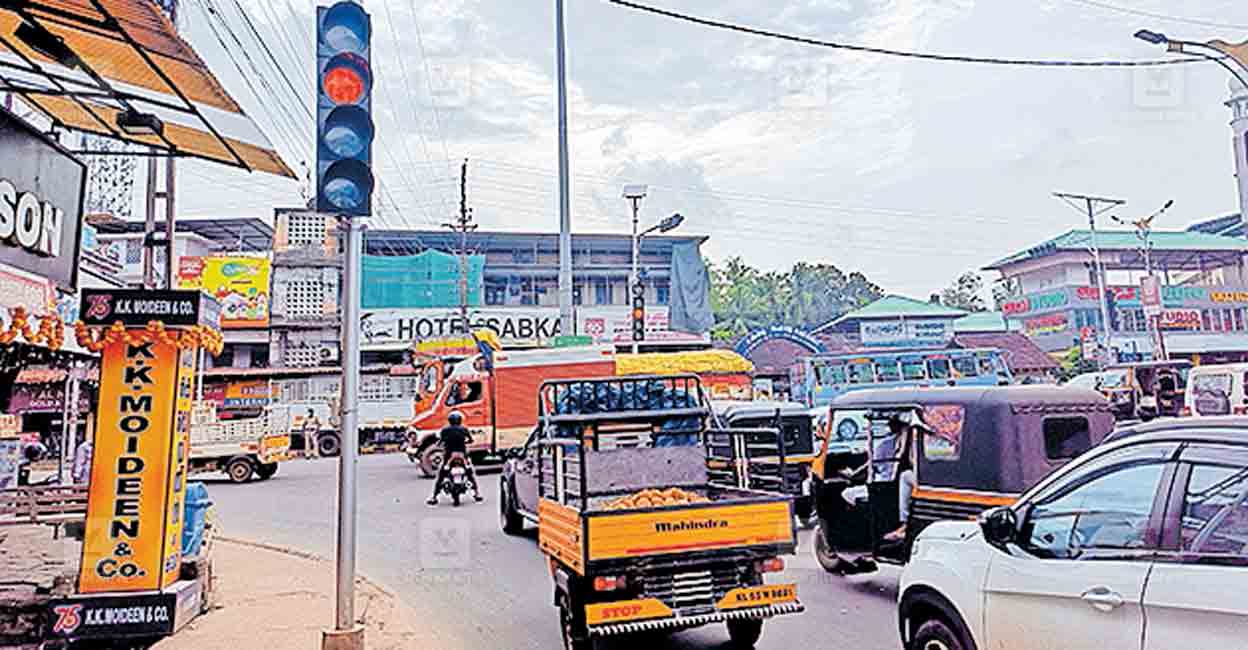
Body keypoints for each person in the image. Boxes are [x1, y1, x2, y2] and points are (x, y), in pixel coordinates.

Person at [426, 411, 483, 505]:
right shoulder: (464, 429)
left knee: (440, 476)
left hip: (448, 456)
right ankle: (477, 493)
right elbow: (470, 440)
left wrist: (440, 444)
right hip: (462, 455)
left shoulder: (445, 430)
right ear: (460, 420)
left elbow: (440, 442)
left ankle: (434, 497)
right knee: (470, 473)